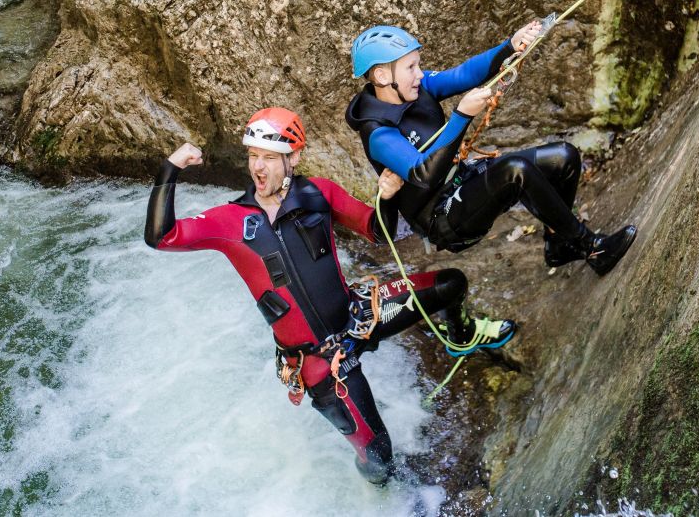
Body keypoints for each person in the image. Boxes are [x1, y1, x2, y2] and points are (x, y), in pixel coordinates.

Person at [143, 107, 515, 484]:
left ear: (294, 158)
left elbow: (377, 231)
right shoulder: (231, 221)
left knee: (450, 284)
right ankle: (380, 496)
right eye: (253, 155)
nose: (258, 167)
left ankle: (461, 335)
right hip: (320, 364)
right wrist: (171, 167)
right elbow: (161, 237)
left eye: (269, 157)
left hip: (361, 318)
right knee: (380, 458)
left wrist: (387, 197)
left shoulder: (318, 193)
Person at [344, 24, 637, 276]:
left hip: (463, 180)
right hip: (443, 217)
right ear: (383, 77)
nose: (420, 73)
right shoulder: (378, 133)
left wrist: (511, 45)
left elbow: (463, 75)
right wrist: (461, 116)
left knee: (564, 158)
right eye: (411, 67)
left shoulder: (414, 89)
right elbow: (425, 175)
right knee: (516, 173)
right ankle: (591, 248)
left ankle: (559, 244)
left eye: (418, 64)